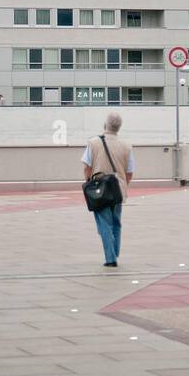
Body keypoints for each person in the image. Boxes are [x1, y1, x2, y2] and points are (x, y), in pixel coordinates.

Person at [82, 113, 134, 268]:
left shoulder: (93, 143)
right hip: (118, 187)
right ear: (119, 127)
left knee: (104, 223)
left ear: (105, 125)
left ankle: (110, 258)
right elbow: (130, 171)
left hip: (100, 188)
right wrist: (124, 184)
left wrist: (89, 181)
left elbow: (87, 166)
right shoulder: (126, 145)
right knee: (116, 222)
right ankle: (115, 251)